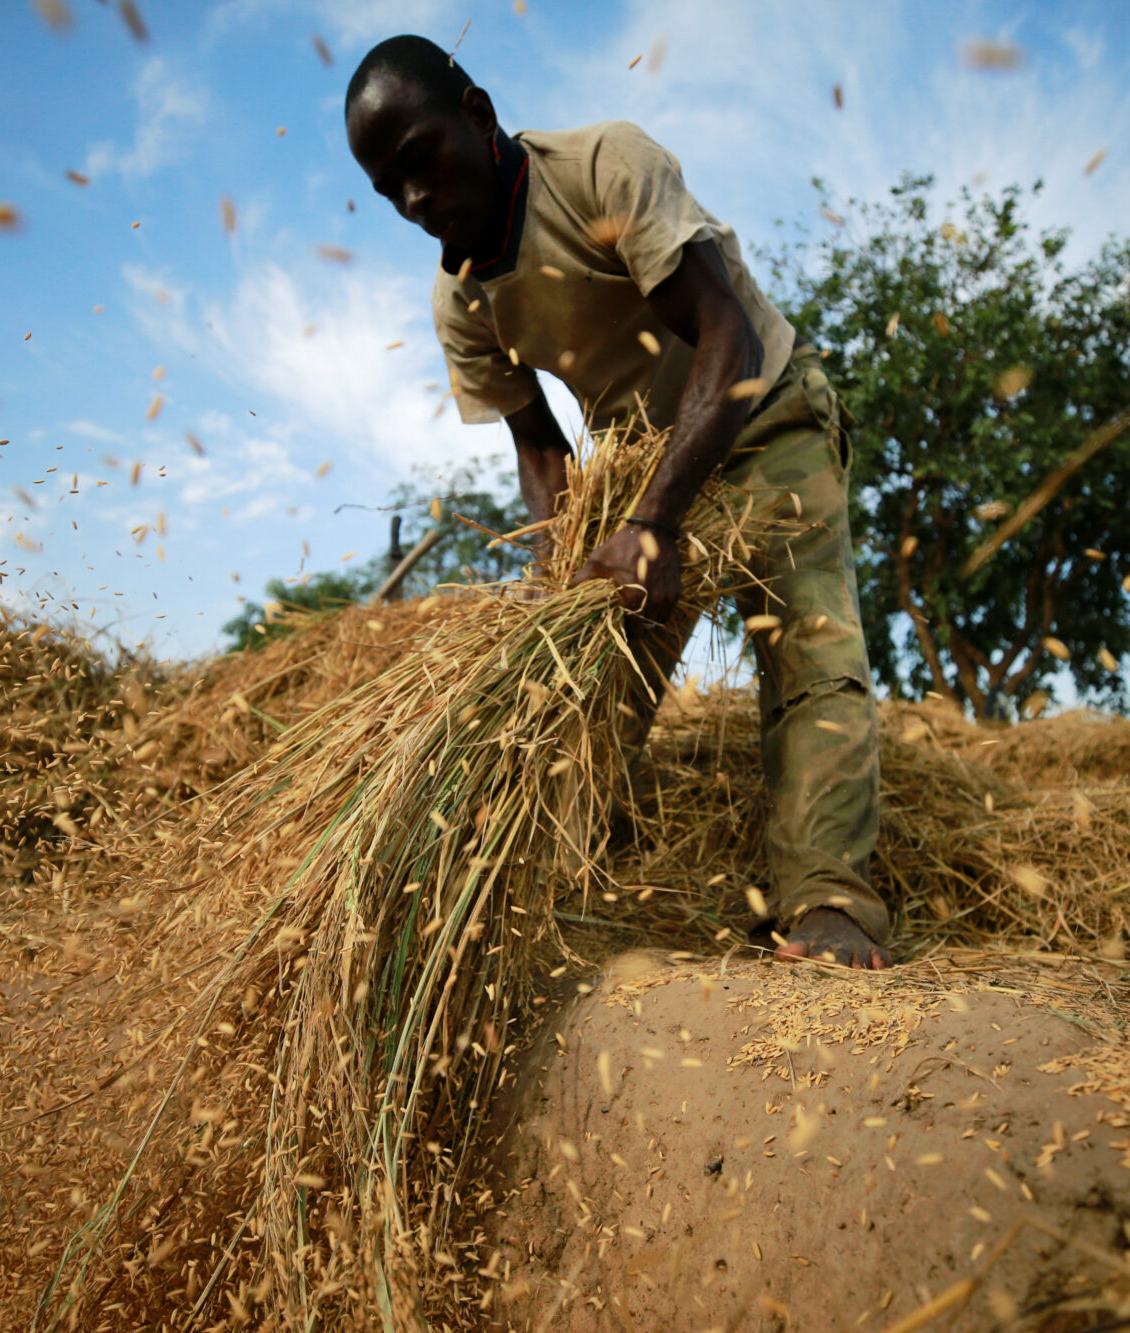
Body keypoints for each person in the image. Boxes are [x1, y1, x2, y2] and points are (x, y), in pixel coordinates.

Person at [345, 35, 890, 969]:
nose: (414, 201)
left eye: (417, 161)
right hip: (648, 472)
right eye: (387, 191)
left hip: (765, 416)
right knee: (584, 679)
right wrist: (556, 583)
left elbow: (727, 342)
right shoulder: (463, 302)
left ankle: (829, 904)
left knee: (808, 649)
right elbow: (543, 451)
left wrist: (653, 525)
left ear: (476, 116)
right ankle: (548, 891)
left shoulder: (603, 169)